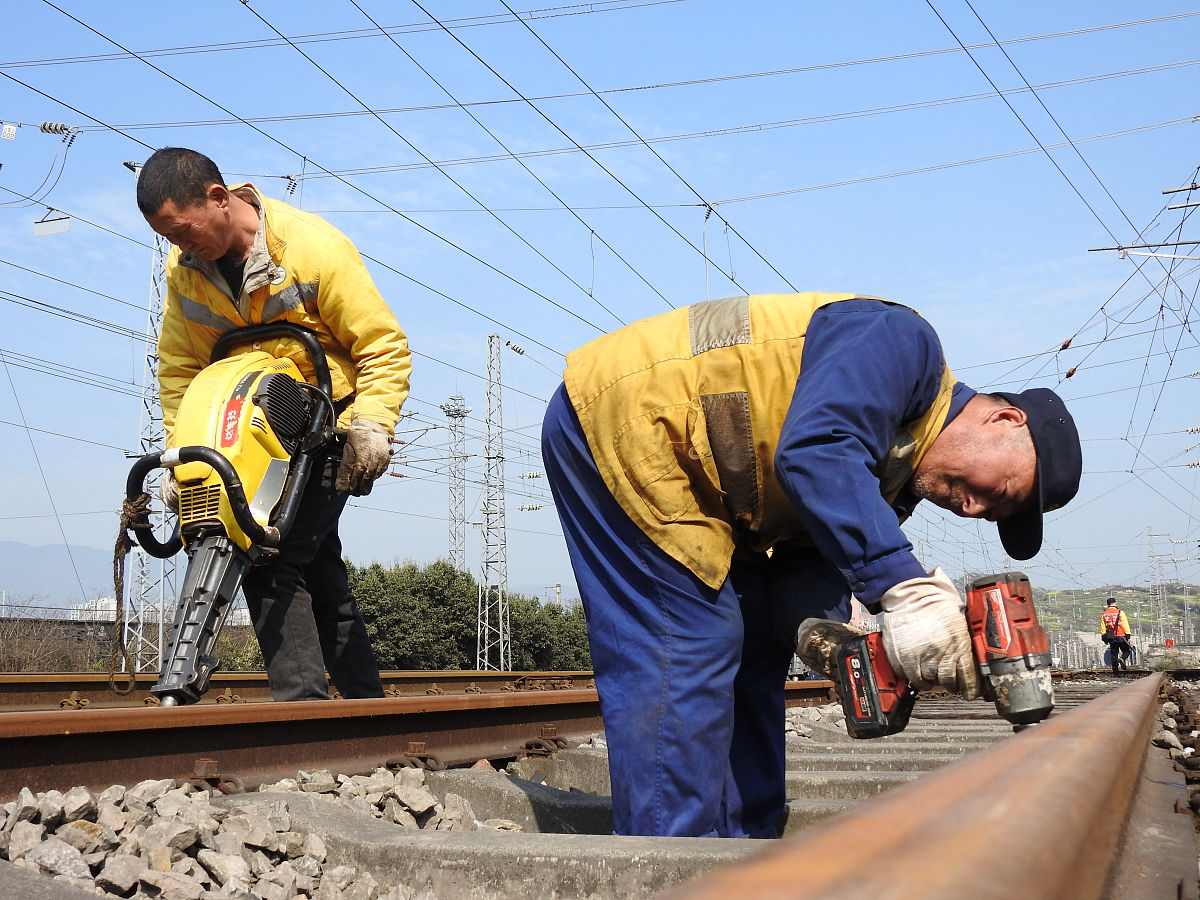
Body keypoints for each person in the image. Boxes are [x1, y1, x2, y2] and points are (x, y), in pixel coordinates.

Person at [542, 292, 1082, 838]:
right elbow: (817, 449)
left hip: (714, 491)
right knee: (689, 642)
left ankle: (744, 845)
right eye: (1004, 491)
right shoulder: (903, 343)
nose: (975, 508)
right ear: (1006, 419)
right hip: (628, 421)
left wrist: (822, 635)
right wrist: (906, 590)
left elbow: (806, 558)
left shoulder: (889, 482)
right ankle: (669, 866)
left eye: (992, 515)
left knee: (756, 651)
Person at [136, 147, 411, 702]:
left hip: (322, 430)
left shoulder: (313, 249)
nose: (180, 247)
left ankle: (302, 715)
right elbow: (180, 368)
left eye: (185, 231)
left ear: (220, 198)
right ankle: (368, 707)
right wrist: (181, 452)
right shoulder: (185, 271)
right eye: (170, 238)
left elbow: (382, 345)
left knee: (269, 554)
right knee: (319, 571)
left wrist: (372, 426)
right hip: (247, 438)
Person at [1101, 598, 1134, 675]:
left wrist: (1104, 637)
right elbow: (1125, 624)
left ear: (1107, 604)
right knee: (1126, 651)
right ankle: (1122, 659)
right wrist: (1128, 635)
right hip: (1121, 636)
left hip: (1111, 637)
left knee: (1113, 654)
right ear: (1115, 603)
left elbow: (1103, 627)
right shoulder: (1120, 612)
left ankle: (1116, 673)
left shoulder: (1104, 614)